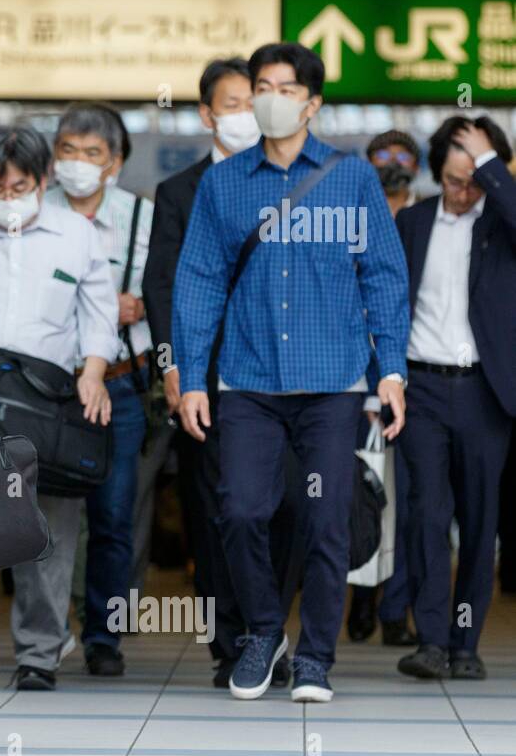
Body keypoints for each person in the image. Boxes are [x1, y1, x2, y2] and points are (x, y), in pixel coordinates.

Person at [173, 41, 409, 703]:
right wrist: (192, 375)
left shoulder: (353, 178)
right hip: (248, 382)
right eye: (260, 87)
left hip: (333, 384)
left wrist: (391, 370)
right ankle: (265, 631)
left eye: (282, 88)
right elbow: (197, 281)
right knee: (241, 511)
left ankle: (315, 661)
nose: (268, 100)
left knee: (326, 518)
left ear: (312, 102)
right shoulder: (224, 183)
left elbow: (384, 277)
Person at [0, 124, 118, 691]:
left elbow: (99, 311)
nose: (8, 197)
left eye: (19, 186)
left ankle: (40, 653)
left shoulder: (77, 235)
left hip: (49, 404)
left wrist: (94, 372)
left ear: (43, 182)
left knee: (46, 532)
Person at [144, 56, 282, 687]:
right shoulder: (180, 193)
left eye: (253, 102)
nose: (246, 116)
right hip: (209, 380)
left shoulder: (293, 183)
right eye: (232, 104)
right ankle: (234, 641)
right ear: (206, 114)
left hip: (285, 377)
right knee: (216, 508)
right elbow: (163, 288)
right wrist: (176, 369)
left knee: (280, 509)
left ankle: (272, 630)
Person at [394, 117, 516, 681]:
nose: (462, 194)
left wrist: (493, 169)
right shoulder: (414, 222)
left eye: (474, 182)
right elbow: (389, 303)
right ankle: (433, 641)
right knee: (426, 515)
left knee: (479, 519)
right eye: (452, 180)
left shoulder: (501, 223)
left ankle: (466, 643)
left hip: (484, 394)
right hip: (420, 388)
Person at [46, 103, 155, 677]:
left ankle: (104, 634)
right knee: (44, 514)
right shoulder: (35, 212)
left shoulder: (143, 218)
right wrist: (108, 304)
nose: (79, 164)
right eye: (68, 151)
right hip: (46, 391)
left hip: (120, 388)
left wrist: (136, 306)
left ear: (114, 163)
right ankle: (45, 630)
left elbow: (157, 297)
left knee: (113, 514)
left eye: (92, 154)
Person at [347, 129, 426, 647]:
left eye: (402, 155)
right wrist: (373, 390)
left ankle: (398, 609)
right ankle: (361, 603)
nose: (392, 163)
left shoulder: (430, 220)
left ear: (417, 165)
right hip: (365, 381)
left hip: (431, 377)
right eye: (382, 155)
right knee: (367, 493)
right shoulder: (351, 219)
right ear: (367, 162)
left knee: (418, 505)